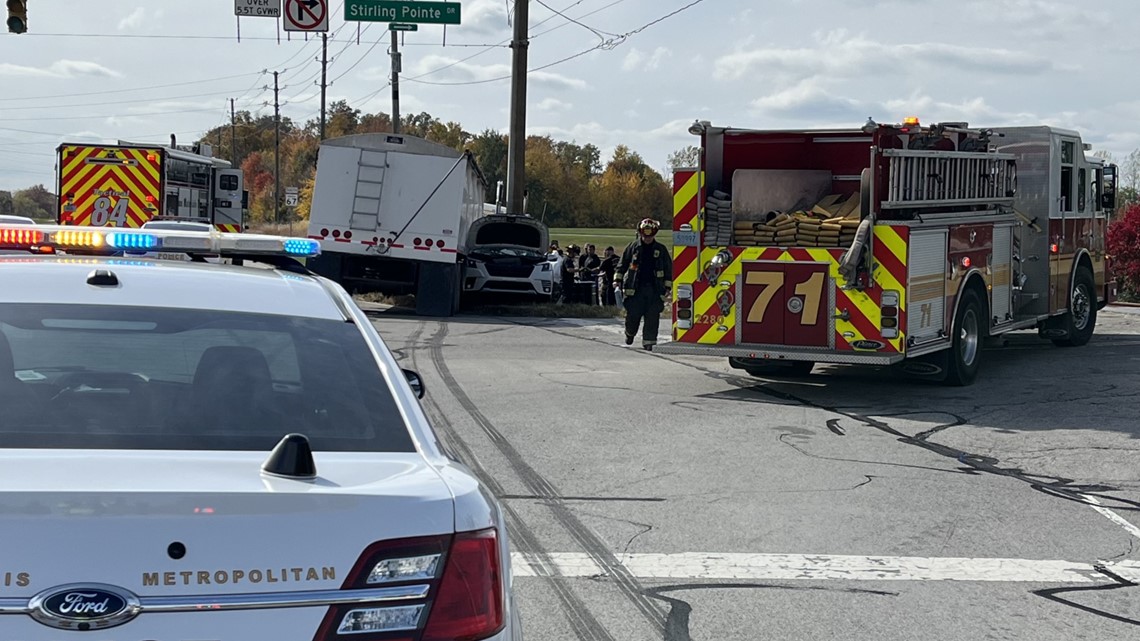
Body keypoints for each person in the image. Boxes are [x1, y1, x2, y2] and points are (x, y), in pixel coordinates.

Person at [614, 218, 672, 350]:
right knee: (633, 316)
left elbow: (668, 269)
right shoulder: (633, 247)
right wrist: (617, 281)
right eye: (645, 236)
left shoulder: (661, 249)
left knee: (652, 317)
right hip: (635, 290)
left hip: (655, 290)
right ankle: (630, 333)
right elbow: (622, 265)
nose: (647, 238)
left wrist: (667, 287)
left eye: (650, 236)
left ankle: (649, 342)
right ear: (640, 233)